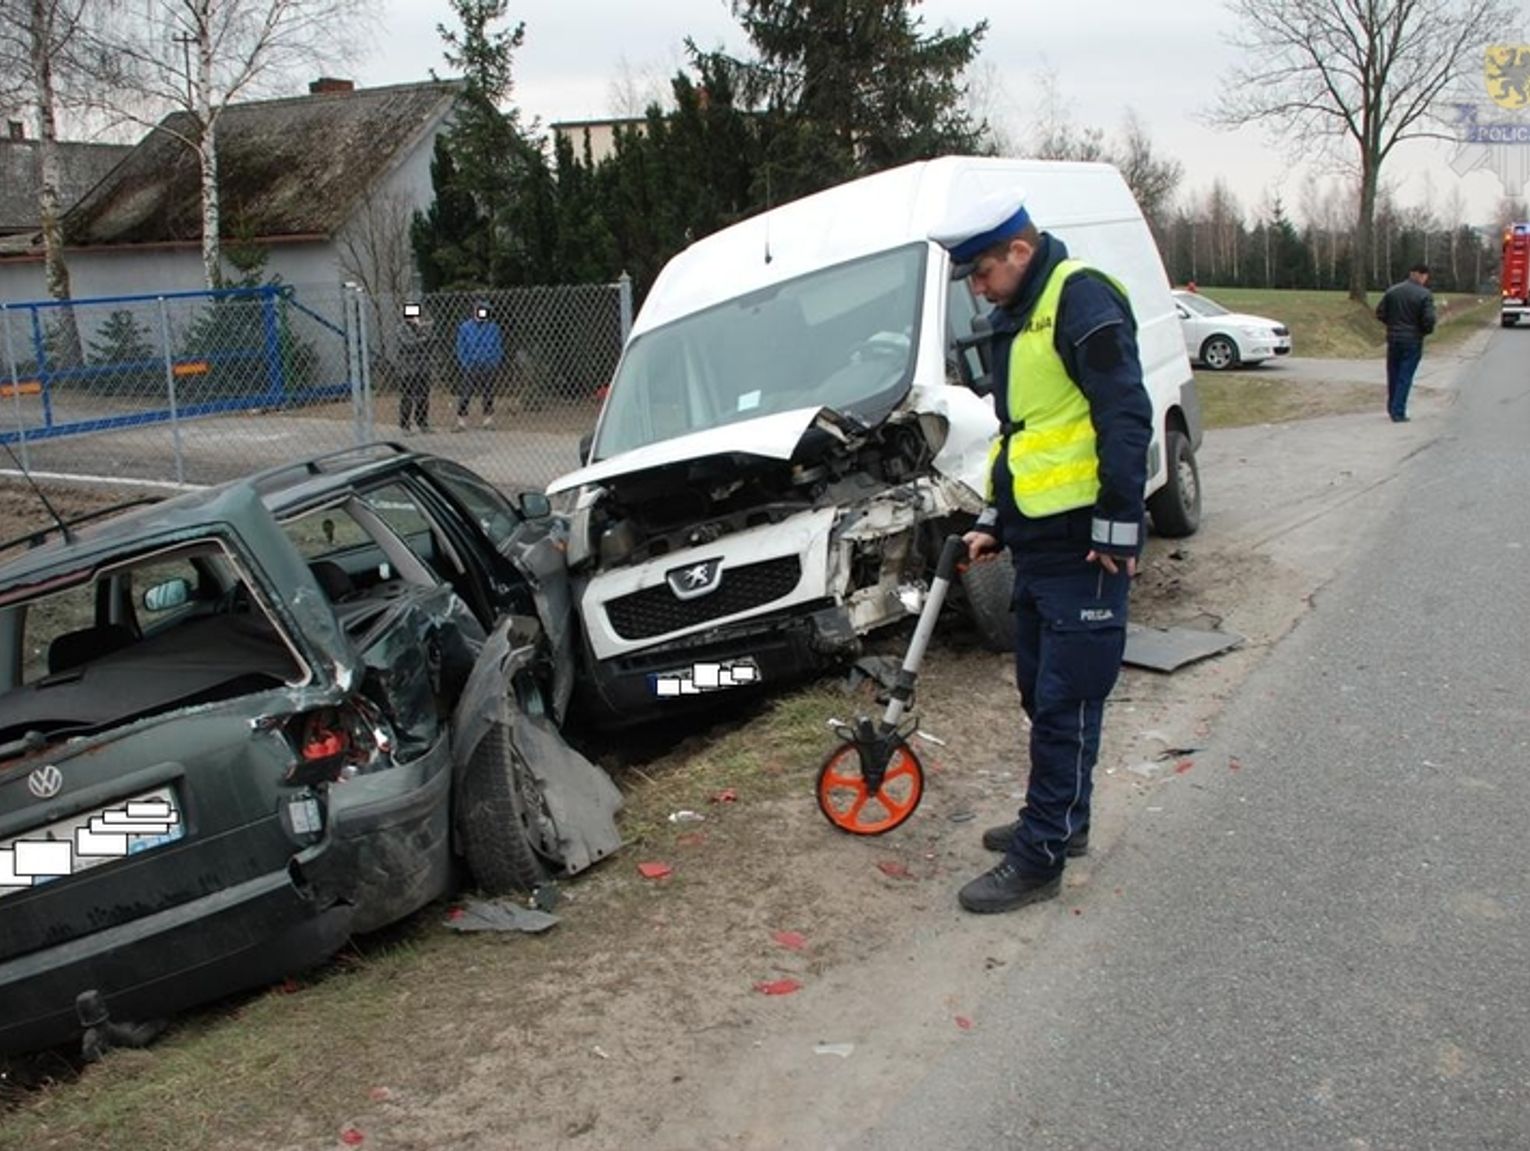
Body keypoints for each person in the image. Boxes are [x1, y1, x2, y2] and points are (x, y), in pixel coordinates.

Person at [929, 187, 1153, 915]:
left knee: (1066, 702)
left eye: (982, 273)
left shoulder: (1080, 298)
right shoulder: (1018, 318)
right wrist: (995, 514)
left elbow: (1125, 413)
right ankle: (1065, 819)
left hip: (1088, 544)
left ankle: (1042, 855)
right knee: (1040, 689)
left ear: (1019, 252)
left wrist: (1120, 526)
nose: (978, 289)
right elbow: (1022, 433)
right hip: (1037, 541)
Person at [1374, 263, 1436, 423]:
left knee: (1393, 373)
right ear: (1422, 275)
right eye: (1426, 277)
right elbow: (1429, 319)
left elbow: (1380, 313)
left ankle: (1391, 406)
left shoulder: (1393, 291)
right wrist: (1424, 331)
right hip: (1413, 339)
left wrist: (1392, 324)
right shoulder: (1425, 294)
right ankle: (1398, 411)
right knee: (1405, 375)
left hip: (1393, 338)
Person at [455, 301, 504, 430]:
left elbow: (498, 346)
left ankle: (488, 421)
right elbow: (461, 347)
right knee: (466, 393)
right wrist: (466, 363)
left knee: (488, 393)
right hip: (471, 365)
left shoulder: (493, 327)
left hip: (488, 364)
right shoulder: (465, 327)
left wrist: (494, 362)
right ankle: (461, 421)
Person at [394, 302, 434, 434]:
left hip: (423, 367)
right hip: (407, 369)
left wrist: (421, 331)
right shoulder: (401, 328)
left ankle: (422, 422)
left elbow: (431, 341)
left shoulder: (422, 327)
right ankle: (405, 425)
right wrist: (423, 339)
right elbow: (409, 344)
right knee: (407, 397)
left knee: (423, 397)